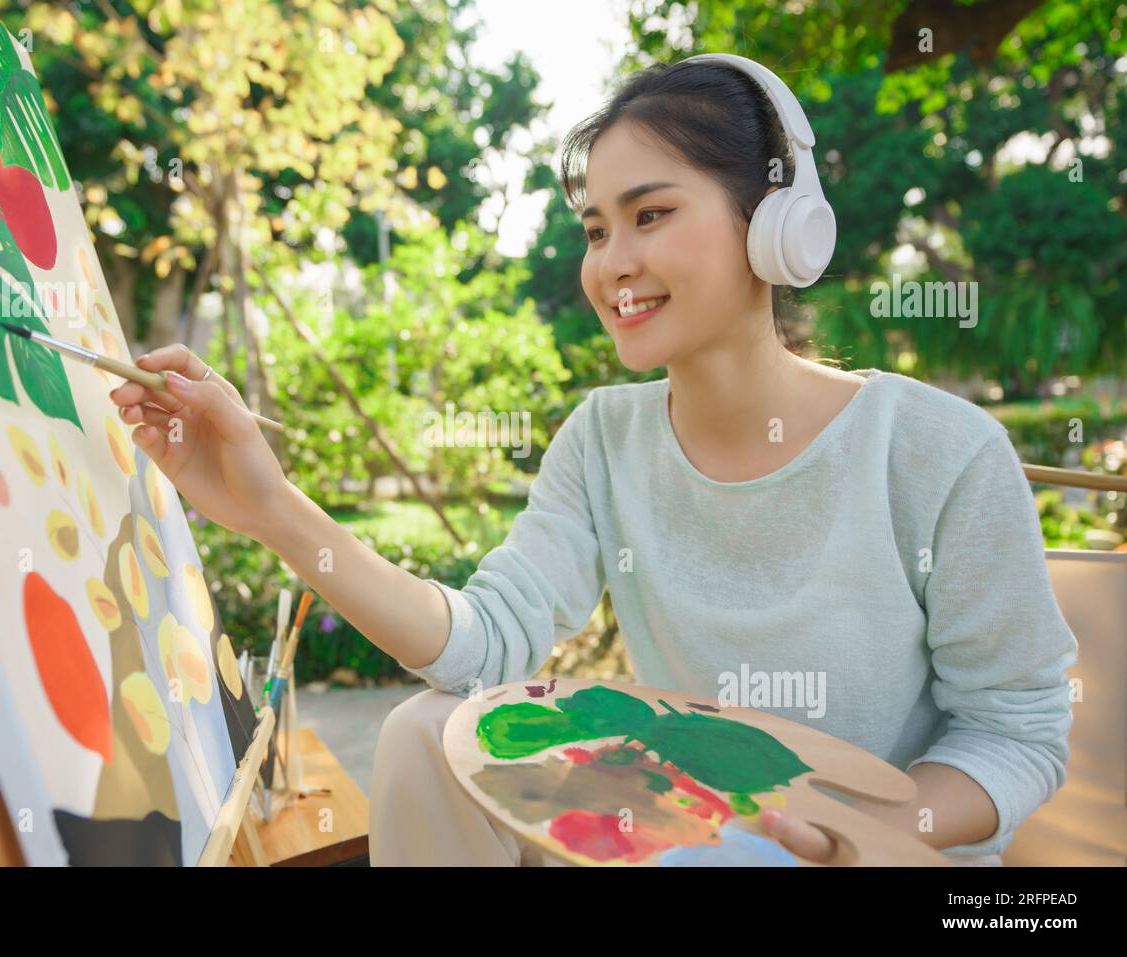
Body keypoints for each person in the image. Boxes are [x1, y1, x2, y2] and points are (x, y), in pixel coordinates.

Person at [107, 55, 1077, 867]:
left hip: (881, 856)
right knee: (423, 732)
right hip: (686, 838)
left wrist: (857, 833)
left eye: (650, 215)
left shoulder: (937, 450)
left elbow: (1016, 730)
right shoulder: (605, 439)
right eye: (597, 229)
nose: (611, 263)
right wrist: (272, 508)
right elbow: (484, 644)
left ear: (777, 222)